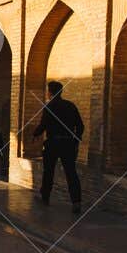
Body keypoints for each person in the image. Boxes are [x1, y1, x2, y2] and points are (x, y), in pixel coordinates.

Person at [31, 79, 84, 214]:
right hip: (68, 143)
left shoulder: (49, 107)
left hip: (53, 143)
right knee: (71, 172)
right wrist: (75, 140)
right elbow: (80, 126)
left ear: (50, 92)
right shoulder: (70, 106)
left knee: (48, 171)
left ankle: (45, 197)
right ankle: (76, 202)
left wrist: (35, 134)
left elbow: (43, 125)